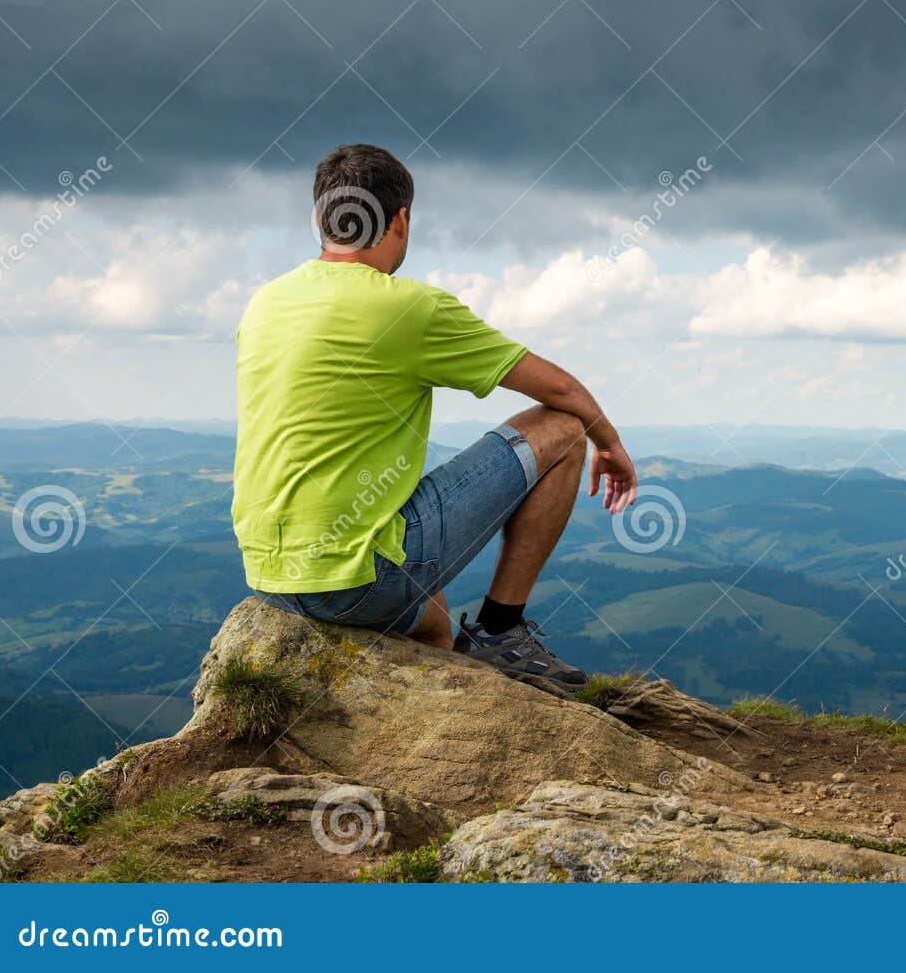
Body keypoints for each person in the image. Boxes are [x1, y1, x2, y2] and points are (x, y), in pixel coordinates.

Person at [230, 143, 637, 689]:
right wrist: (609, 445)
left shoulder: (266, 302)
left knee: (435, 621)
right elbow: (561, 389)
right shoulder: (410, 307)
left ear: (320, 218)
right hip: (355, 581)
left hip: (271, 576)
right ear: (400, 219)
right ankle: (500, 632)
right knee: (564, 431)